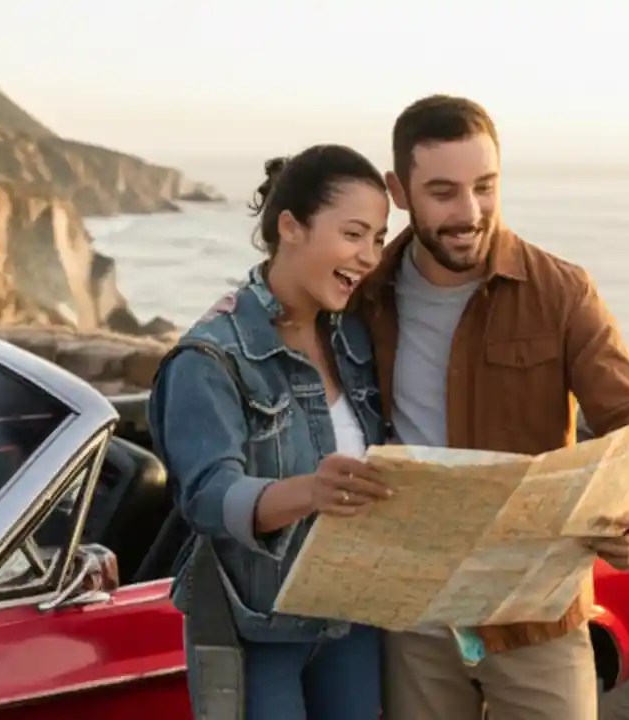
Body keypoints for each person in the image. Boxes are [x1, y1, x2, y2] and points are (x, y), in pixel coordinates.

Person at [353, 94, 629, 719]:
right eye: (444, 191)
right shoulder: (363, 295)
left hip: (536, 611)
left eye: (485, 186)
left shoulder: (561, 291)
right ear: (399, 190)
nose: (471, 212)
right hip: (412, 610)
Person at [147, 144, 395, 719]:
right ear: (291, 227)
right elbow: (208, 497)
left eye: (379, 240)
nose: (368, 258)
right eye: (354, 234)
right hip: (256, 629)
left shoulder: (358, 337)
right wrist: (311, 491)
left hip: (353, 619)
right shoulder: (211, 356)